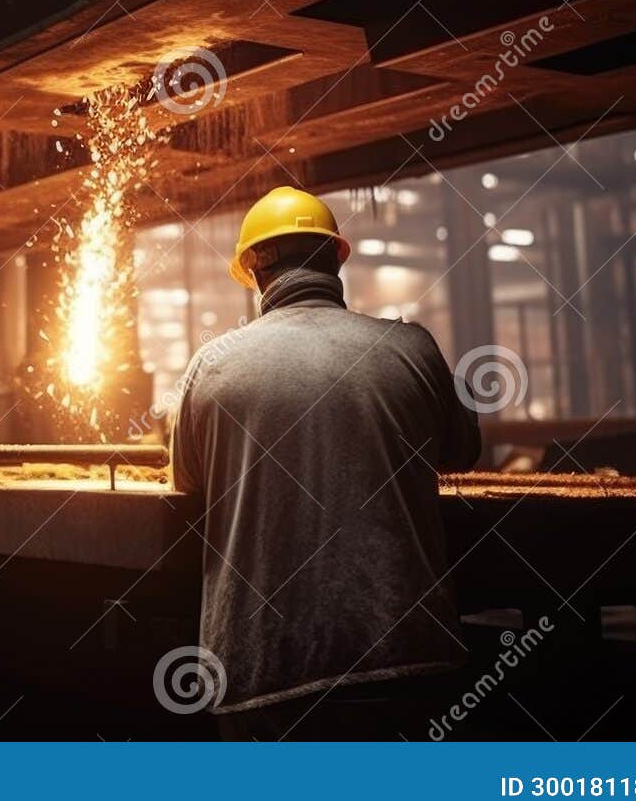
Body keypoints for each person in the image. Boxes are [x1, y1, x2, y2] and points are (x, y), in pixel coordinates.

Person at [170, 186, 481, 740]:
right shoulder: (411, 348)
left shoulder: (210, 366)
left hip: (261, 669)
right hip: (405, 656)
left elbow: (189, 485)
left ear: (255, 267)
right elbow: (462, 452)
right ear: (337, 258)